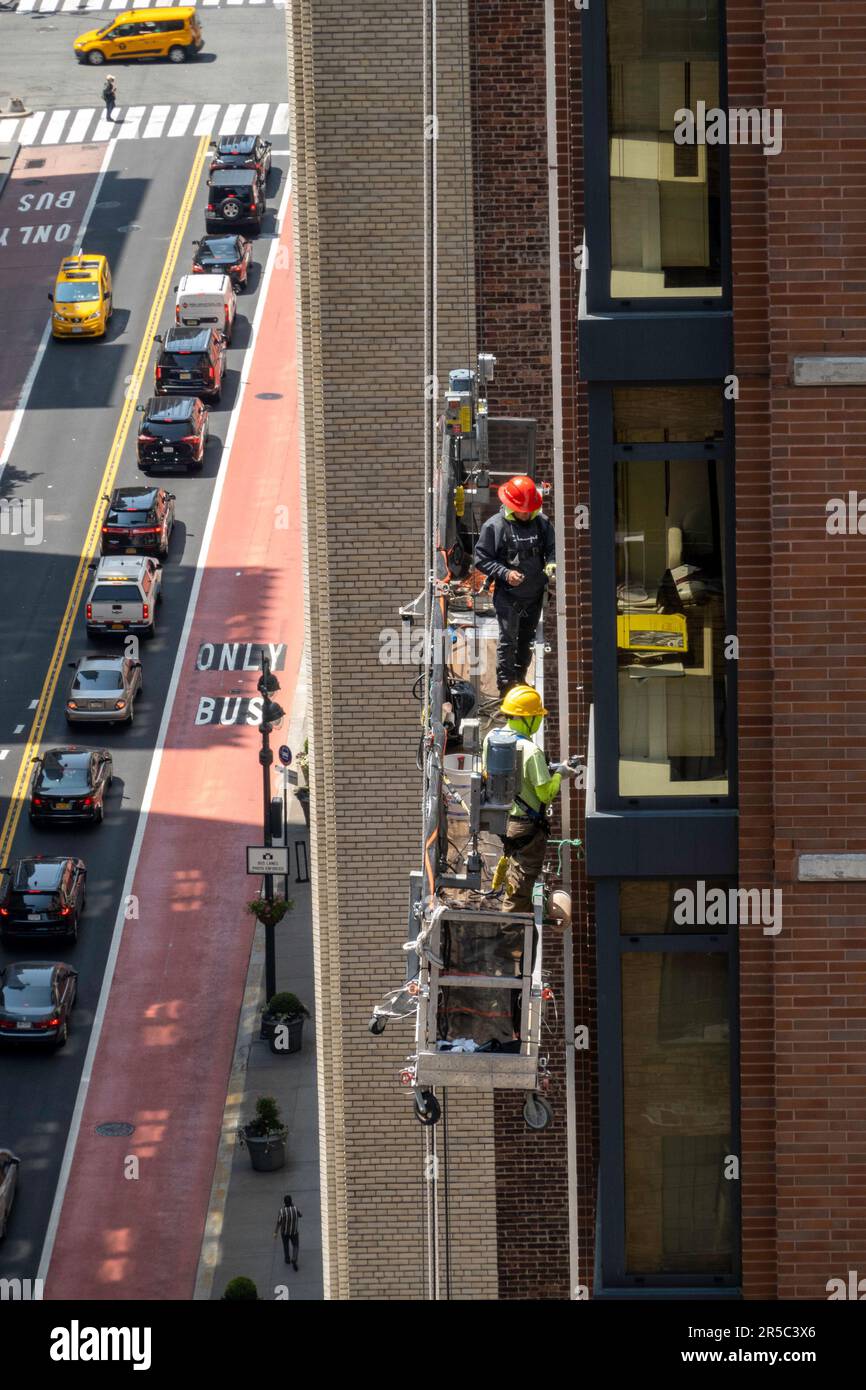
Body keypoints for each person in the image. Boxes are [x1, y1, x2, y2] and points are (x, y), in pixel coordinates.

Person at [482, 684, 563, 914]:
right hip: (527, 828)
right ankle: (512, 941)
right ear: (527, 718)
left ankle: (517, 933)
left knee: (514, 879)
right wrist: (560, 774)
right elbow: (545, 793)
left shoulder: (492, 738)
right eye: (537, 716)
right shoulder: (531, 751)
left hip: (504, 821)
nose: (539, 720)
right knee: (519, 890)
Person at [473, 475, 555, 696]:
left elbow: (554, 549)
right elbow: (481, 559)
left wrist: (552, 565)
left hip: (535, 594)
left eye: (530, 510)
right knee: (508, 640)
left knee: (526, 638)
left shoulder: (542, 523)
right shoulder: (495, 526)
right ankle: (507, 685)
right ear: (510, 505)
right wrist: (505, 573)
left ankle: (520, 679)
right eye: (522, 510)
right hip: (508, 596)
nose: (527, 514)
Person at [274, 1194, 302, 1270]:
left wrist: (275, 1232)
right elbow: (300, 1215)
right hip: (294, 1232)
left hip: (284, 1232)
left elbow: (279, 1222)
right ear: (291, 1201)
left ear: (284, 1202)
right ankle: (294, 1258)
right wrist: (293, 1206)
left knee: (286, 1245)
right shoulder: (295, 1209)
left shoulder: (282, 1211)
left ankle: (287, 1259)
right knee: (295, 1246)